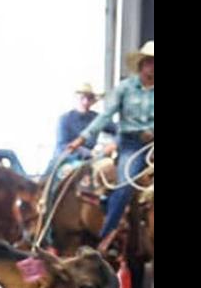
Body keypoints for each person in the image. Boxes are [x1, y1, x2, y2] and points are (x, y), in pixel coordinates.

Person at [65, 40, 154, 254]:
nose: (152, 66)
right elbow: (105, 116)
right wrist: (82, 138)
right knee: (124, 186)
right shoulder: (125, 89)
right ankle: (107, 236)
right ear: (141, 64)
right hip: (132, 146)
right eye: (149, 62)